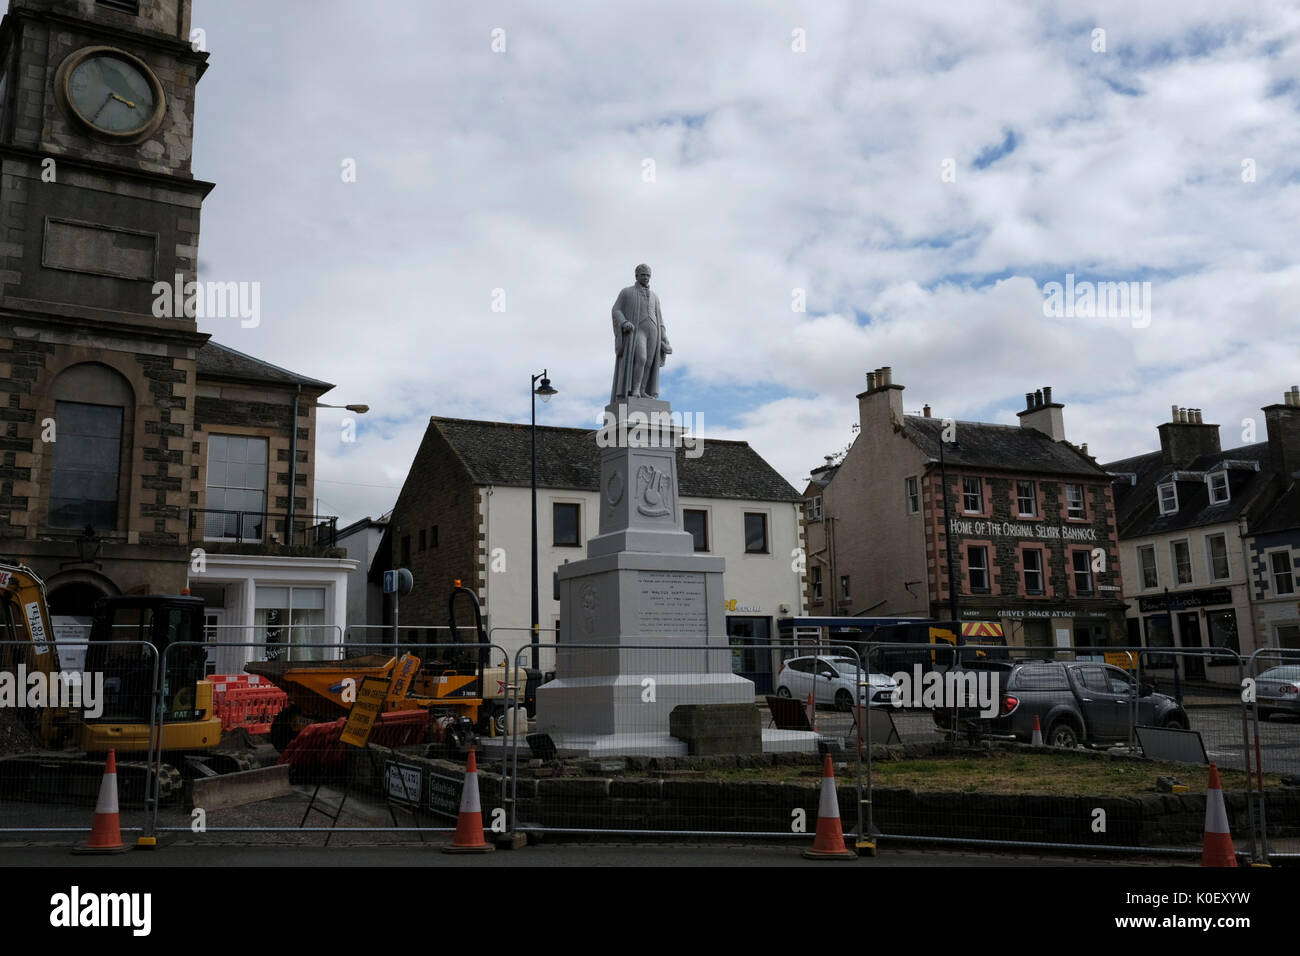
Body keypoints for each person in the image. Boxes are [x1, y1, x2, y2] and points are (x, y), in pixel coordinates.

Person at [610, 264, 671, 401]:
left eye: (648, 275)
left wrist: (664, 336)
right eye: (643, 274)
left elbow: (660, 318)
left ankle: (643, 390)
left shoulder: (655, 297)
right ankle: (635, 389)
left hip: (654, 330)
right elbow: (616, 310)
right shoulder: (626, 292)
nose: (646, 277)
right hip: (637, 330)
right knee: (641, 358)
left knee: (649, 361)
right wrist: (624, 322)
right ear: (636, 275)